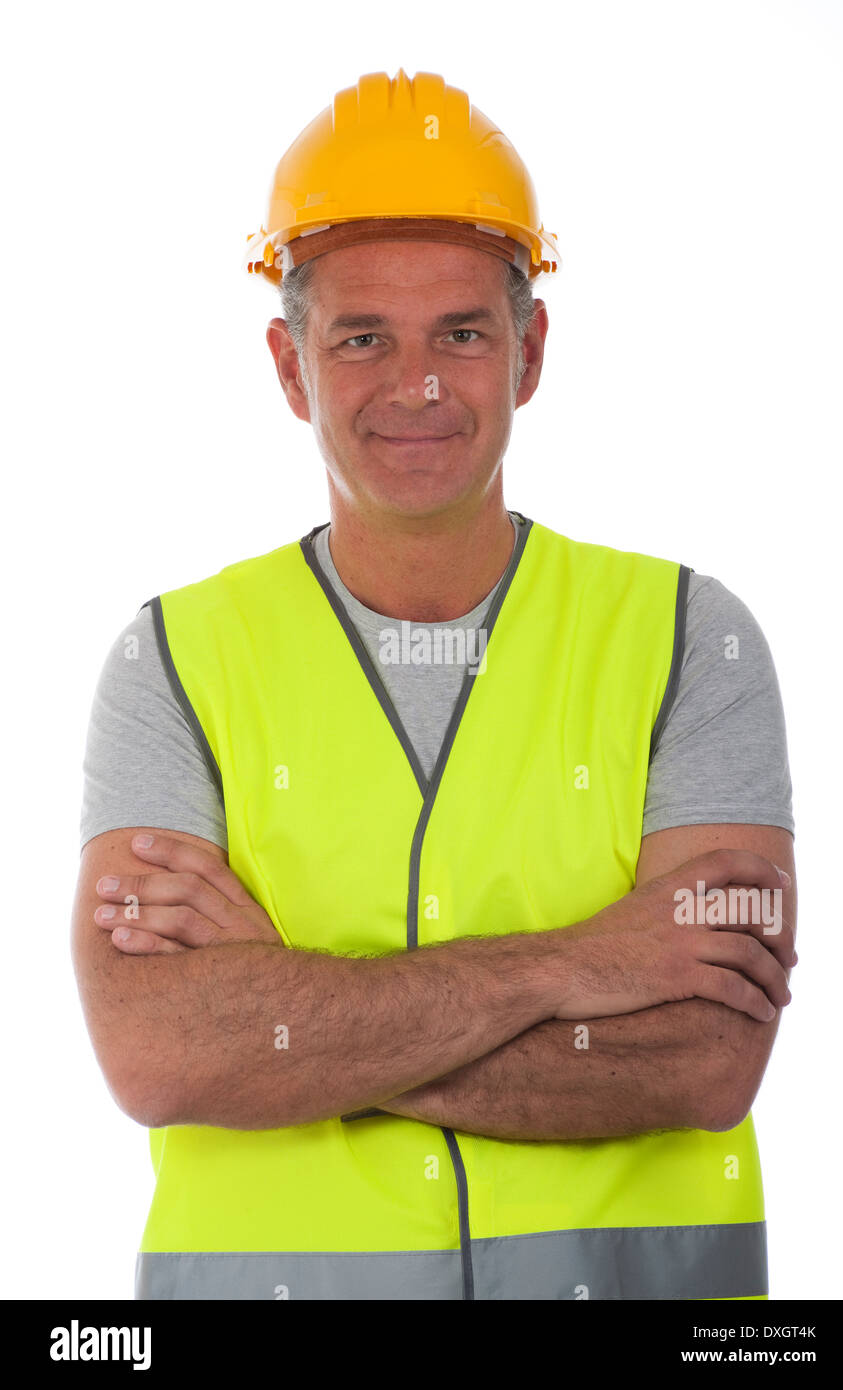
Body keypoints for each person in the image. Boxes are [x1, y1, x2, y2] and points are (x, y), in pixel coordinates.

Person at [72, 68, 797, 1301]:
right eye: (362, 337)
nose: (415, 384)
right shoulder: (175, 663)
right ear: (291, 366)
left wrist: (292, 1014)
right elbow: (158, 1048)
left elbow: (703, 1059)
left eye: (460, 332)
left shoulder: (689, 642)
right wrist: (573, 964)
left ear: (528, 351)